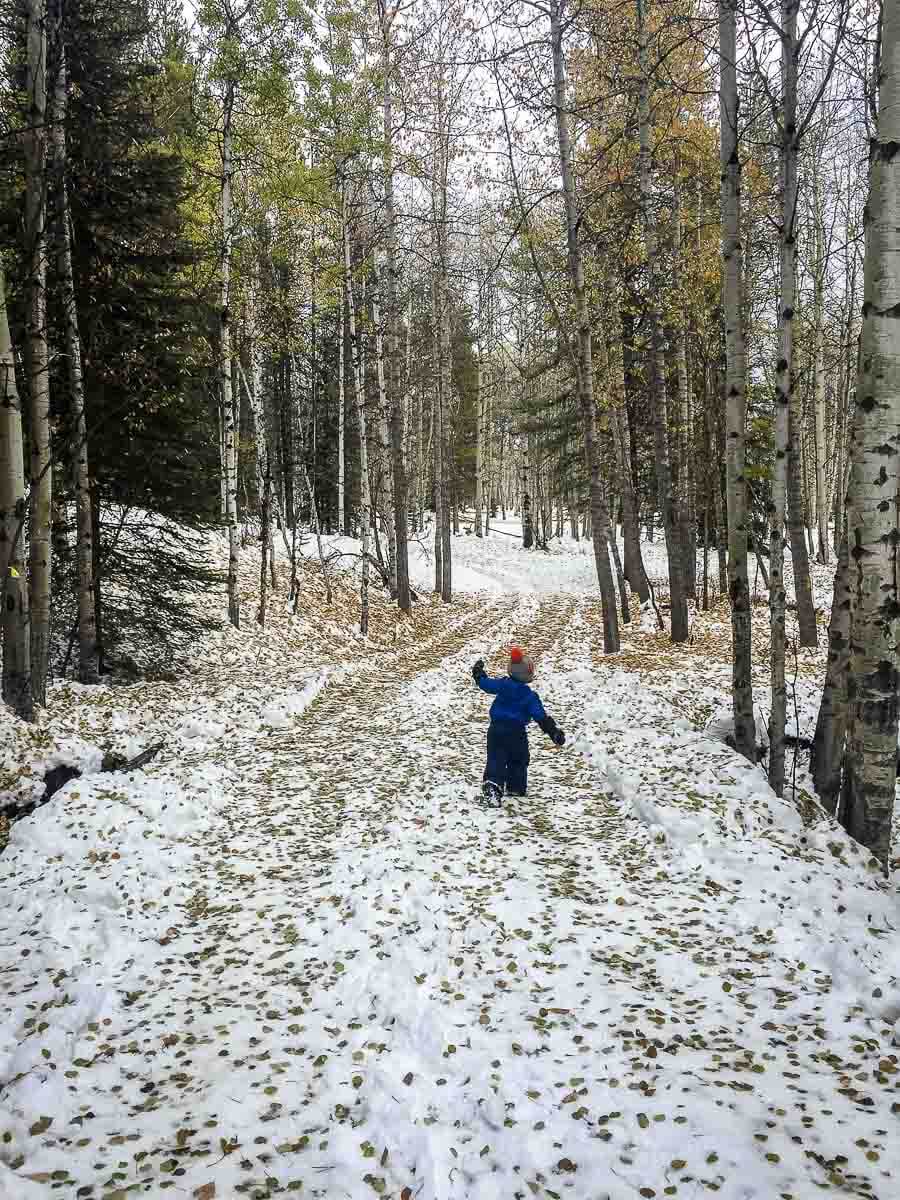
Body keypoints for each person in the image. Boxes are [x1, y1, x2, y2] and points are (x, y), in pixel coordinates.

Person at [471, 646, 565, 806]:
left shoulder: (503, 684)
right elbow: (541, 717)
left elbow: (486, 684)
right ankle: (516, 785)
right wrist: (553, 732)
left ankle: (493, 785)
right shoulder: (529, 696)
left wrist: (478, 673)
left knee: (496, 757)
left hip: (496, 729)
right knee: (519, 758)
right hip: (516, 732)